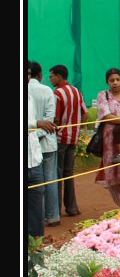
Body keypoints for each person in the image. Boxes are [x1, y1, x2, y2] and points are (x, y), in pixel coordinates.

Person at [49, 64, 86, 217]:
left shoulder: (57, 93)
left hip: (60, 139)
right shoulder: (76, 91)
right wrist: (78, 130)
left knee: (57, 175)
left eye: (51, 76)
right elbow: (85, 114)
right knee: (69, 174)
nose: (50, 79)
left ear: (59, 76)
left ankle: (55, 210)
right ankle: (72, 207)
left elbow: (56, 118)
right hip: (73, 138)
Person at [28, 62, 60, 227]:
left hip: (33, 146)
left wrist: (37, 130)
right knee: (50, 179)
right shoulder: (47, 90)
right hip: (45, 142)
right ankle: (53, 215)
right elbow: (49, 118)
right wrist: (39, 129)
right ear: (39, 75)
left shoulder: (29, 92)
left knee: (36, 189)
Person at [95, 67, 120, 208]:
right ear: (107, 82)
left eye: (118, 79)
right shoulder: (103, 95)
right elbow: (106, 115)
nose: (115, 83)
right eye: (112, 80)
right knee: (112, 176)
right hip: (109, 142)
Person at [28, 80, 49, 238]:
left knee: (36, 203)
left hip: (34, 160)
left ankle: (36, 244)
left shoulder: (29, 97)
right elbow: (34, 123)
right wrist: (36, 123)